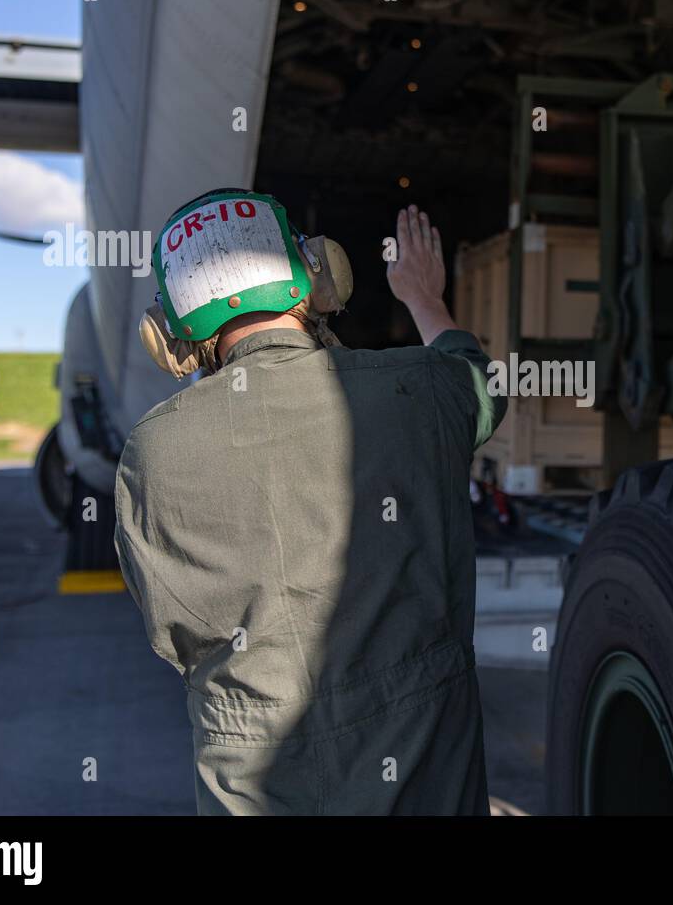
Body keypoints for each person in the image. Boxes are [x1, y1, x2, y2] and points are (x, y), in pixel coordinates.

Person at [114, 188, 507, 814]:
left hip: (251, 772)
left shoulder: (150, 451)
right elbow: (476, 381)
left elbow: (172, 633)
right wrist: (423, 297)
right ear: (318, 274)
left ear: (170, 334)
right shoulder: (419, 389)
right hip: (423, 756)